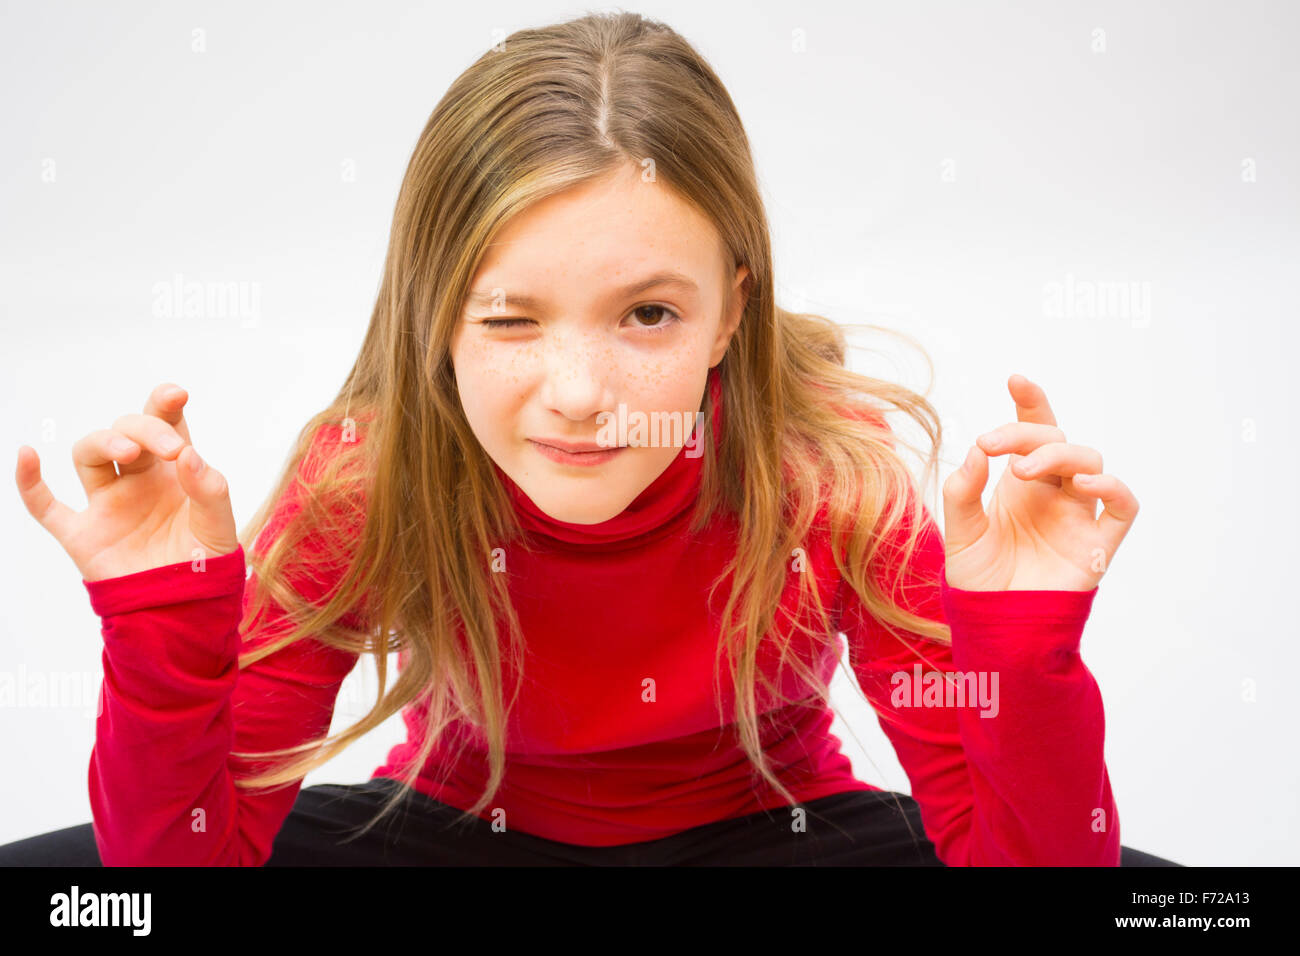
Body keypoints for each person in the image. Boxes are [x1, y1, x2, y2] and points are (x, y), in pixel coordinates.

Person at [4, 11, 1176, 867]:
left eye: (648, 314)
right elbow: (178, 869)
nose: (579, 394)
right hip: (449, 831)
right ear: (435, 321)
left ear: (732, 309)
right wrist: (159, 610)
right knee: (74, 889)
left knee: (1165, 903)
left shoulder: (829, 474)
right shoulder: (367, 476)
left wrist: (1022, 639)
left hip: (772, 831)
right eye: (510, 320)